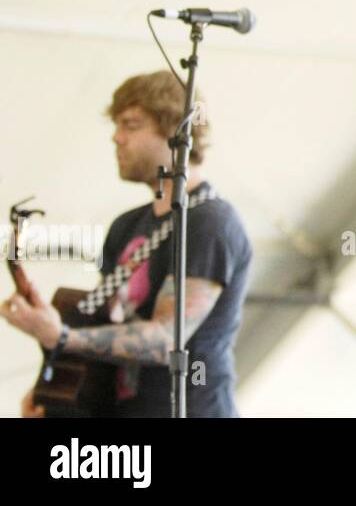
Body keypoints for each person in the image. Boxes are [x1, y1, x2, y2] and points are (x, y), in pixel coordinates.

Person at [1, 70, 253, 417]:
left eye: (131, 125)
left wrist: (61, 337)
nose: (117, 138)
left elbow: (166, 338)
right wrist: (55, 391)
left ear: (175, 131)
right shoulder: (127, 225)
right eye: (117, 126)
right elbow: (108, 329)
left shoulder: (210, 223)